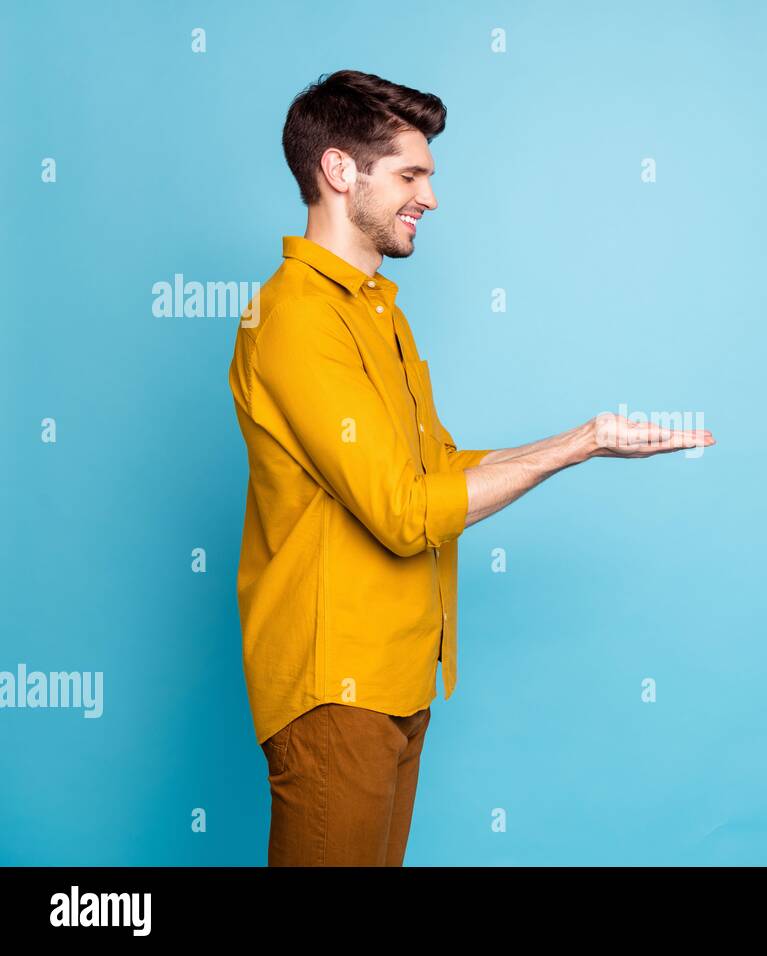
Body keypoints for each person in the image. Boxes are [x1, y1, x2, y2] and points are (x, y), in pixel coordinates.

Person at [227, 69, 714, 866]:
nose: (431, 196)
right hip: (336, 687)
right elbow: (403, 511)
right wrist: (571, 450)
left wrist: (584, 437)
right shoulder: (296, 320)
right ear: (339, 171)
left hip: (396, 676)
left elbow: (433, 466)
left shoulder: (375, 311)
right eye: (411, 175)